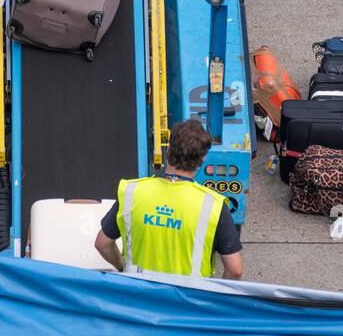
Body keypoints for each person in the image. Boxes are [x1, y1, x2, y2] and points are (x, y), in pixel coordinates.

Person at [94, 119, 243, 279]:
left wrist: (123, 267)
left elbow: (102, 244)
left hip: (138, 296)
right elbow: (235, 270)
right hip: (189, 300)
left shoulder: (132, 192)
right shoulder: (213, 205)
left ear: (169, 150)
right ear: (202, 159)